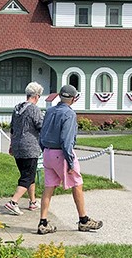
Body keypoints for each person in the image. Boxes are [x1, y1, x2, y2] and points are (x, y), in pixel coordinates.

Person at [37, 84, 103, 235]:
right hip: (62, 153)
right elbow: (66, 139)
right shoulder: (69, 114)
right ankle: (83, 220)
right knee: (77, 184)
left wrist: (44, 150)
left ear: (60, 96)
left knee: (49, 188)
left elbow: (42, 134)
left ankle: (43, 222)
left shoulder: (50, 111)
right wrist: (70, 161)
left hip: (47, 153)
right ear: (73, 99)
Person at [4, 82, 44, 216]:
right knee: (28, 175)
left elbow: (12, 128)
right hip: (30, 147)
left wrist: (11, 145)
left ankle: (33, 202)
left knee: (26, 174)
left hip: (17, 145)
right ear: (37, 96)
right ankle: (13, 202)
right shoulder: (34, 109)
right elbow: (41, 126)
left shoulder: (16, 108)